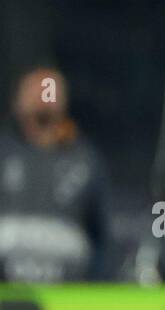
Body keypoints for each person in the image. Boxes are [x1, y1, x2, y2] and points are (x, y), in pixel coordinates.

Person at [0, 66, 111, 282]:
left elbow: (102, 237)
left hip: (68, 296)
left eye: (50, 89)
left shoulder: (85, 160)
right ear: (18, 101)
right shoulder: (3, 153)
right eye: (37, 89)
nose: (44, 97)